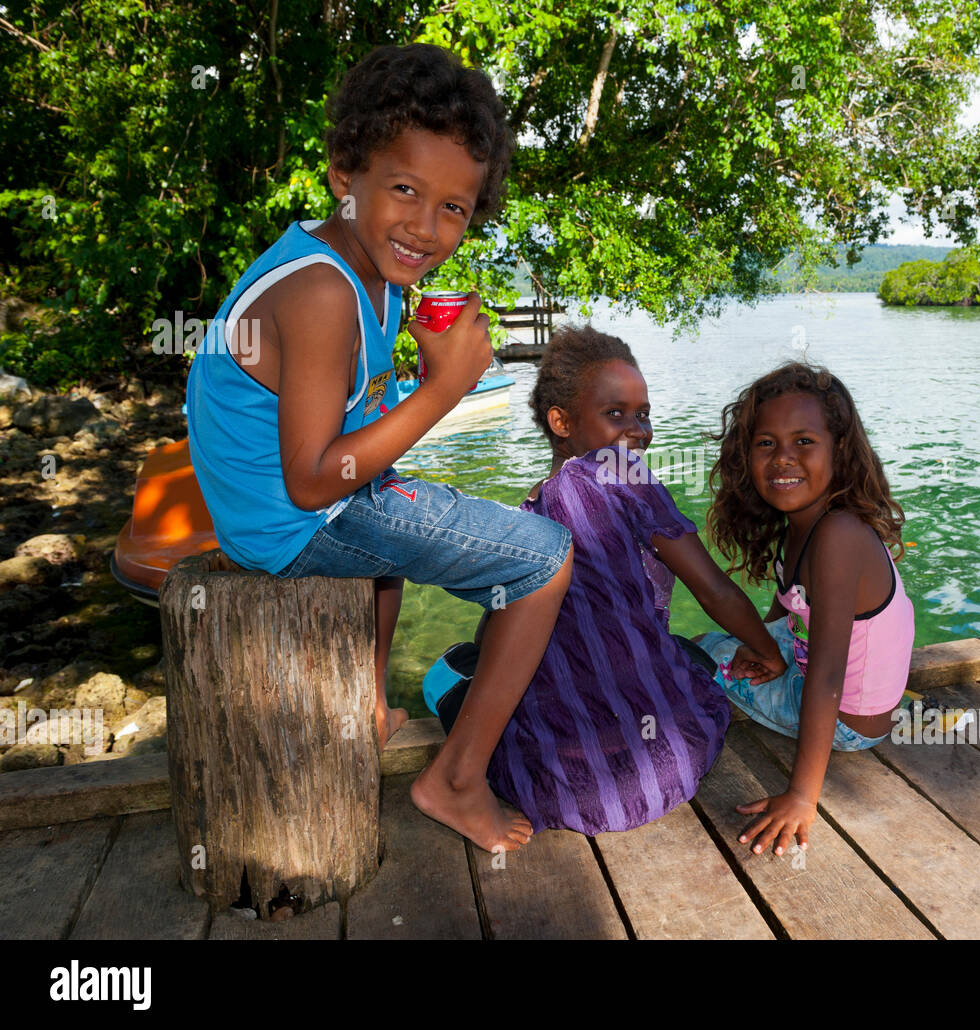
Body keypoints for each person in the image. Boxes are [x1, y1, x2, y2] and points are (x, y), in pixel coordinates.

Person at [185, 44, 573, 854]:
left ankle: (368, 700)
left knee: (395, 513)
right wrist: (441, 391)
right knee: (545, 560)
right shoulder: (324, 292)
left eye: (454, 209)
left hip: (275, 514)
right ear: (343, 173)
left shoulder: (365, 277)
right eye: (405, 190)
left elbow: (343, 416)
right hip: (294, 522)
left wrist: (409, 388)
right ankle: (457, 780)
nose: (426, 228)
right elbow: (311, 479)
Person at [451, 325, 785, 835]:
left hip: (554, 787)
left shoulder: (528, 511)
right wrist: (768, 650)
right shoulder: (625, 475)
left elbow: (500, 628)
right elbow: (713, 589)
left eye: (643, 413)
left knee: (464, 675)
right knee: (692, 657)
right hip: (664, 768)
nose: (639, 430)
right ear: (560, 421)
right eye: (616, 414)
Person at [699, 362, 914, 856]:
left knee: (701, 652)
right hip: (819, 671)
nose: (783, 459)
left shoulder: (838, 536)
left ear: (840, 451)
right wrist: (765, 649)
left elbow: (826, 677)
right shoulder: (804, 523)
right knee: (735, 644)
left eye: (804, 442)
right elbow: (787, 609)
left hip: (848, 720)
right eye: (766, 443)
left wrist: (800, 796)